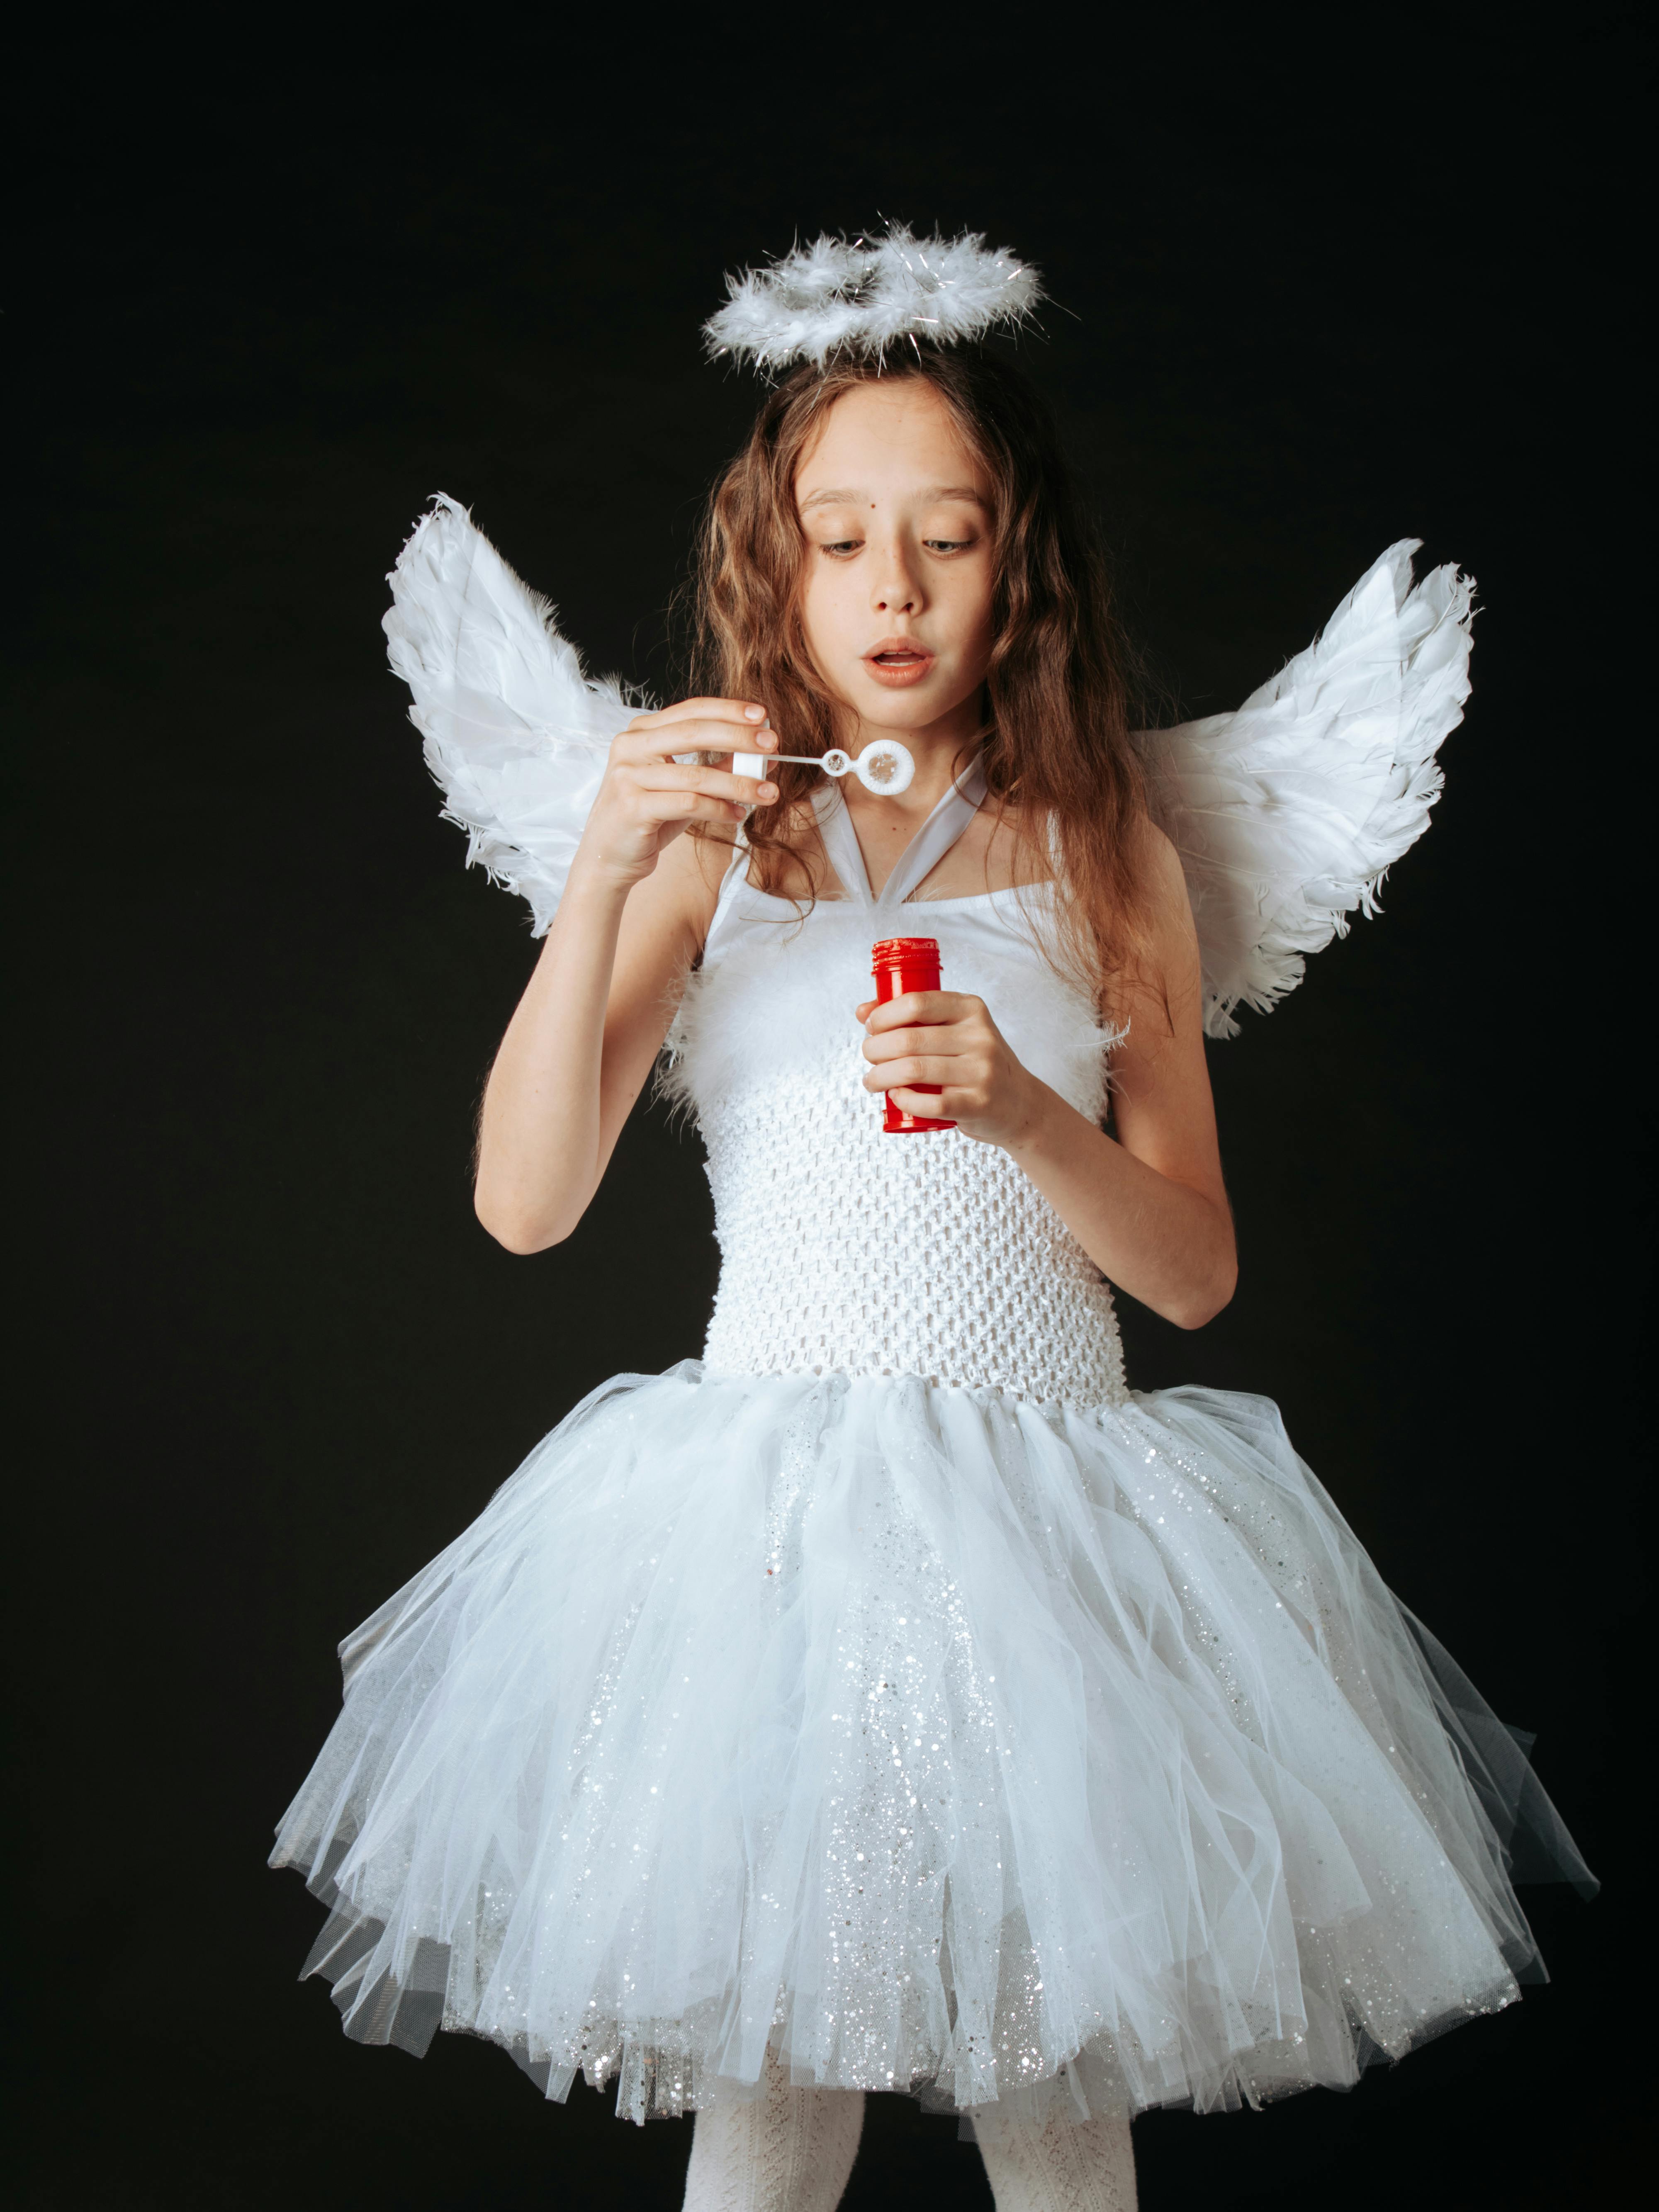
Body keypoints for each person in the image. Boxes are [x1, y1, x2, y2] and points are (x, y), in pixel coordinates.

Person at [272, 230, 1592, 2212]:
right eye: (842, 539)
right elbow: (525, 1202)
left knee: (1055, 2071)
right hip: (768, 1547)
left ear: (1018, 562)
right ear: (777, 564)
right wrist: (604, 871)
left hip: (1046, 1530)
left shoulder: (1107, 845)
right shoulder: (714, 839)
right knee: (767, 2087)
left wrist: (1028, 1112)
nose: (893, 587)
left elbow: (1194, 1271)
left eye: (948, 537)